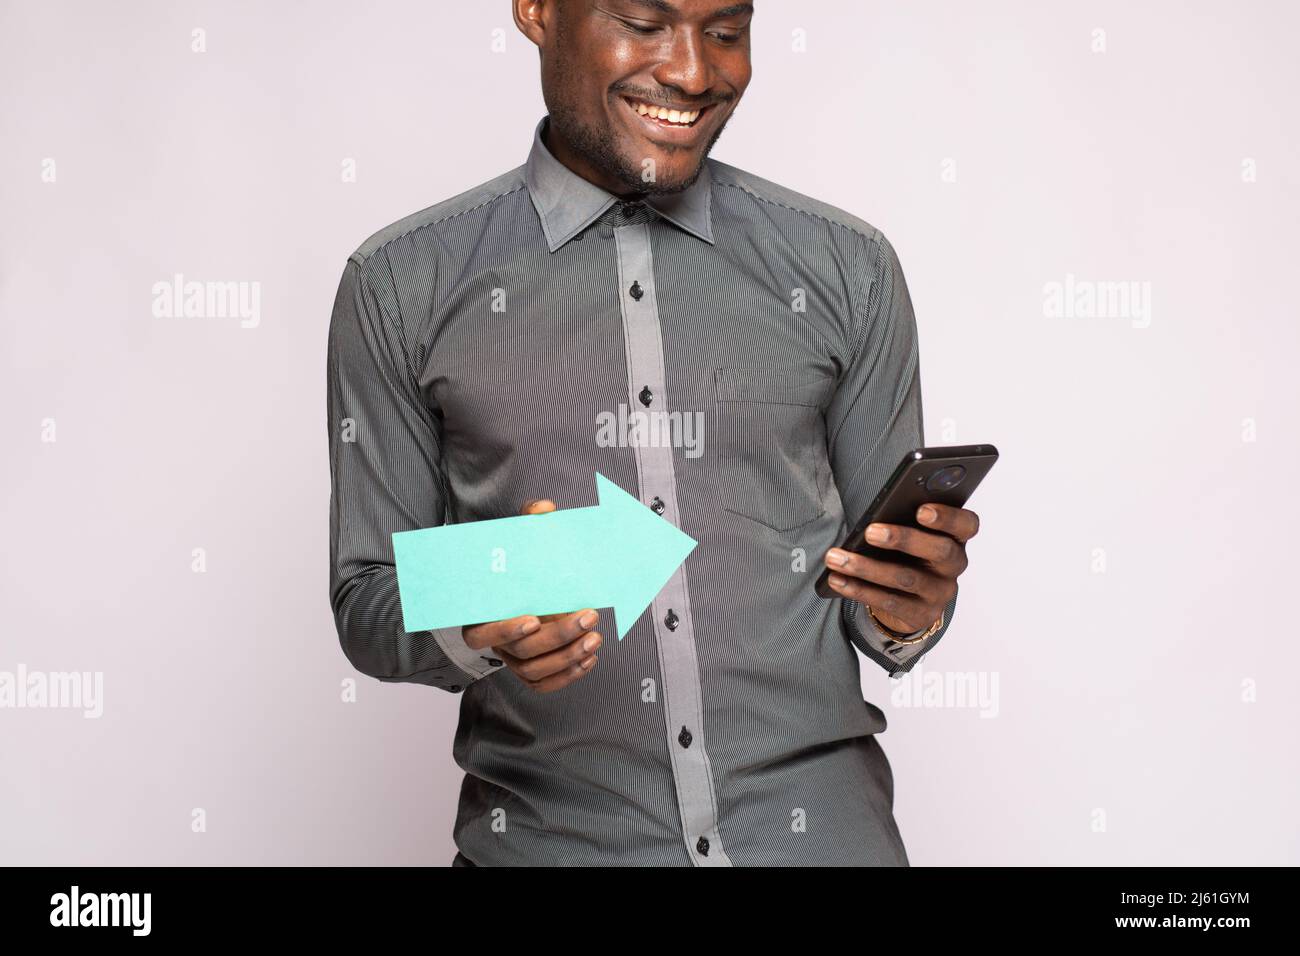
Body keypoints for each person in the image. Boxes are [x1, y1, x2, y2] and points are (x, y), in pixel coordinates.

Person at [327, 0, 981, 866]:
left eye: (725, 31)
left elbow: (880, 600)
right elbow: (366, 598)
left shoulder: (847, 269)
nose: (692, 73)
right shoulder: (400, 287)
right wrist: (490, 598)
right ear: (535, 11)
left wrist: (909, 608)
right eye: (644, 21)